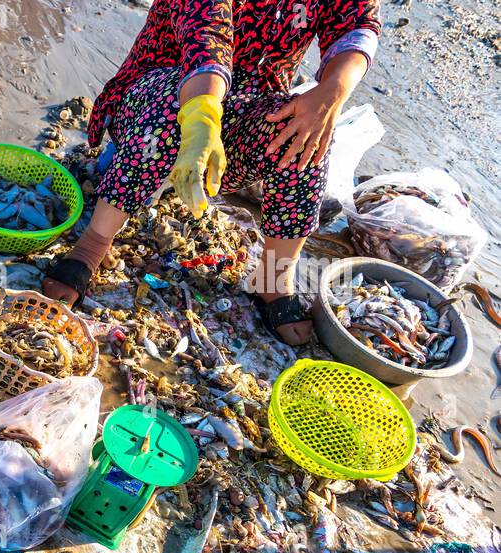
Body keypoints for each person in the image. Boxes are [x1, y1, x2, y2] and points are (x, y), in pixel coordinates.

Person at [42, 0, 381, 346]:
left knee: (308, 128)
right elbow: (207, 37)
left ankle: (274, 278)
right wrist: (202, 118)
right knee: (173, 107)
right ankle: (94, 243)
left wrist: (332, 93)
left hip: (244, 113)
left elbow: (357, 23)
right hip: (156, 102)